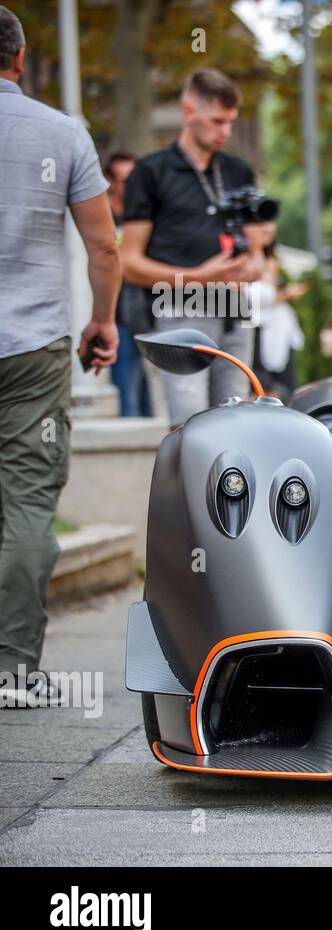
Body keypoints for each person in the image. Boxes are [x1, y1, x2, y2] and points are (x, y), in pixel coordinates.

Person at [0, 5, 120, 698]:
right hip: (31, 347)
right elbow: (103, 245)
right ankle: (13, 670)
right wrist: (102, 321)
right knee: (27, 503)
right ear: (19, 59)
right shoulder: (59, 132)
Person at [119, 68, 264, 428]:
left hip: (235, 305)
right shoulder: (151, 172)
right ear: (189, 111)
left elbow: (259, 253)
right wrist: (197, 277)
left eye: (231, 122)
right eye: (217, 121)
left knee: (235, 421)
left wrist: (251, 265)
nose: (225, 132)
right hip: (180, 305)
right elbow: (128, 262)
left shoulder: (237, 170)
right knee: (190, 426)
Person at [104, 152, 153, 418]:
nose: (132, 187)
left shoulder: (143, 214)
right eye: (125, 180)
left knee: (146, 390)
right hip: (116, 313)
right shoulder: (102, 216)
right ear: (110, 181)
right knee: (127, 388)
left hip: (146, 312)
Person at [249, 223, 308, 400]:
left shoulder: (271, 261)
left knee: (278, 386)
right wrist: (286, 294)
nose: (267, 229)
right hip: (251, 330)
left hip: (274, 330)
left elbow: (271, 295)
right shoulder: (245, 261)